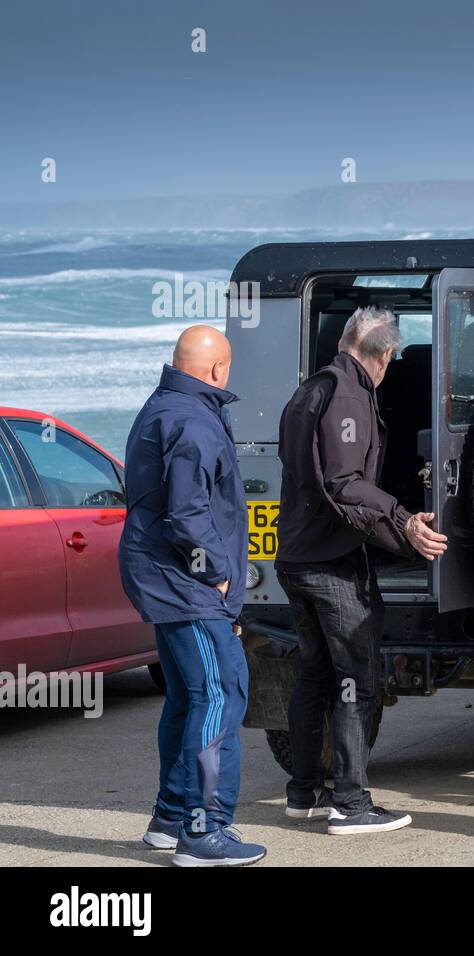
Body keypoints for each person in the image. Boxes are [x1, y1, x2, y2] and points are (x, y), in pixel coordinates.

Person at [276, 306, 447, 835]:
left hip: (295, 557)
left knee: (314, 673)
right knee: (358, 680)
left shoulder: (311, 389)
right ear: (384, 353)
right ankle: (351, 804)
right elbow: (345, 481)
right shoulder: (349, 395)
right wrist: (401, 518)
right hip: (331, 565)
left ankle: (304, 792)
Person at [119, 325, 266, 866]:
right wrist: (218, 577)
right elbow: (187, 515)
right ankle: (203, 833)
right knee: (221, 694)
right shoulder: (192, 420)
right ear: (217, 369)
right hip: (186, 582)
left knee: (188, 695)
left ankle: (171, 818)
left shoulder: (166, 406)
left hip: (166, 576)